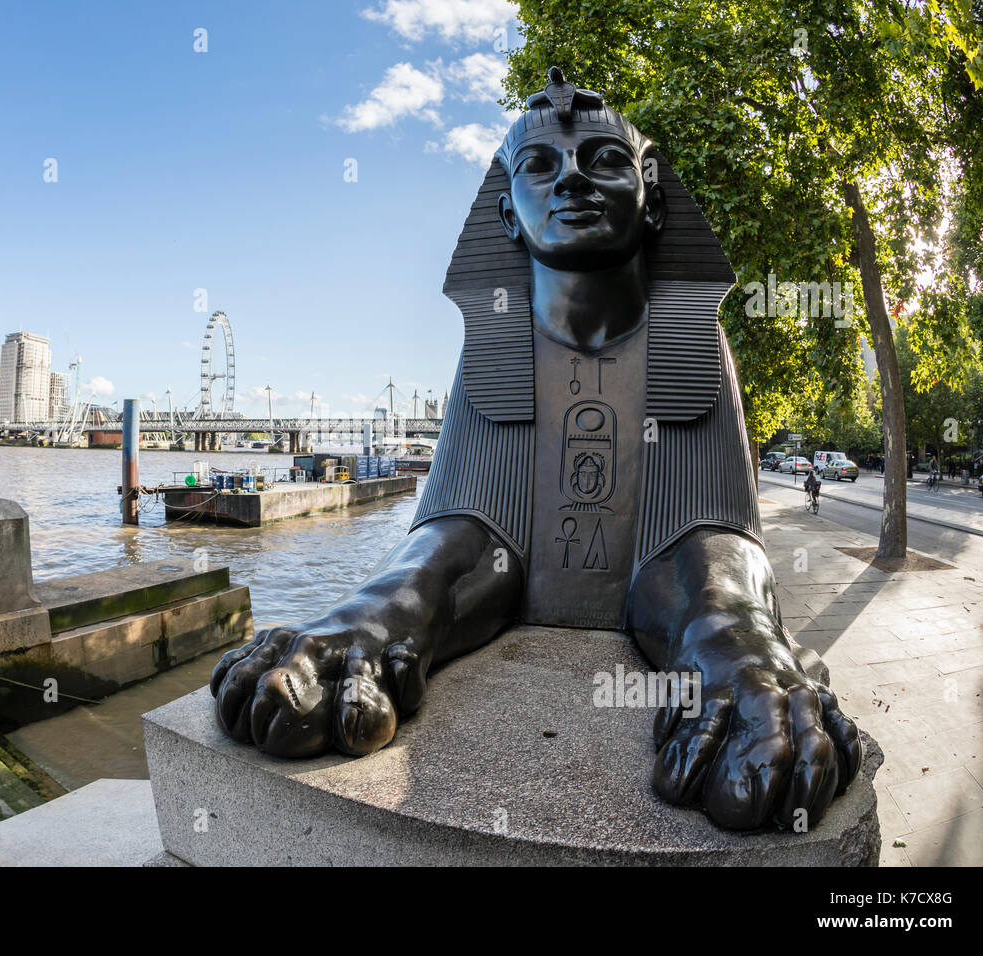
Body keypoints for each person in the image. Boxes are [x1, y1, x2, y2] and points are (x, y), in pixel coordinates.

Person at [211, 69, 860, 832]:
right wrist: (382, 614)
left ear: (652, 196)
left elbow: (704, 548)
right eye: (540, 165)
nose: (573, 178)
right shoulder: (494, 345)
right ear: (506, 216)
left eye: (605, 159)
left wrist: (734, 641)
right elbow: (471, 544)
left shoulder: (692, 338)